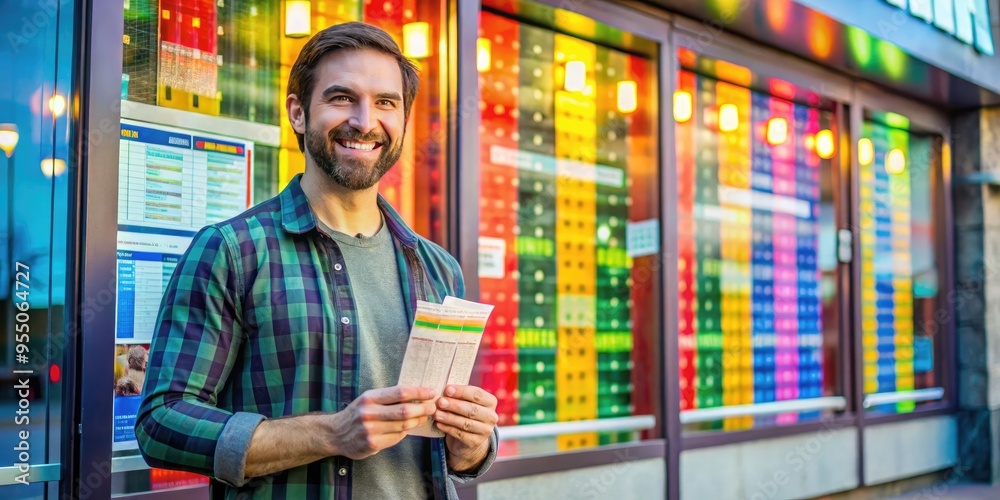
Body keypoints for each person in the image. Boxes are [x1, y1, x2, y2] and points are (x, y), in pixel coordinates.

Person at [136, 22, 499, 499]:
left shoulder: (437, 268)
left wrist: (472, 443)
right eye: (342, 98)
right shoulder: (233, 250)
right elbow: (162, 424)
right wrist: (332, 433)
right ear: (298, 114)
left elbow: (448, 445)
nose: (365, 121)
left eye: (386, 103)